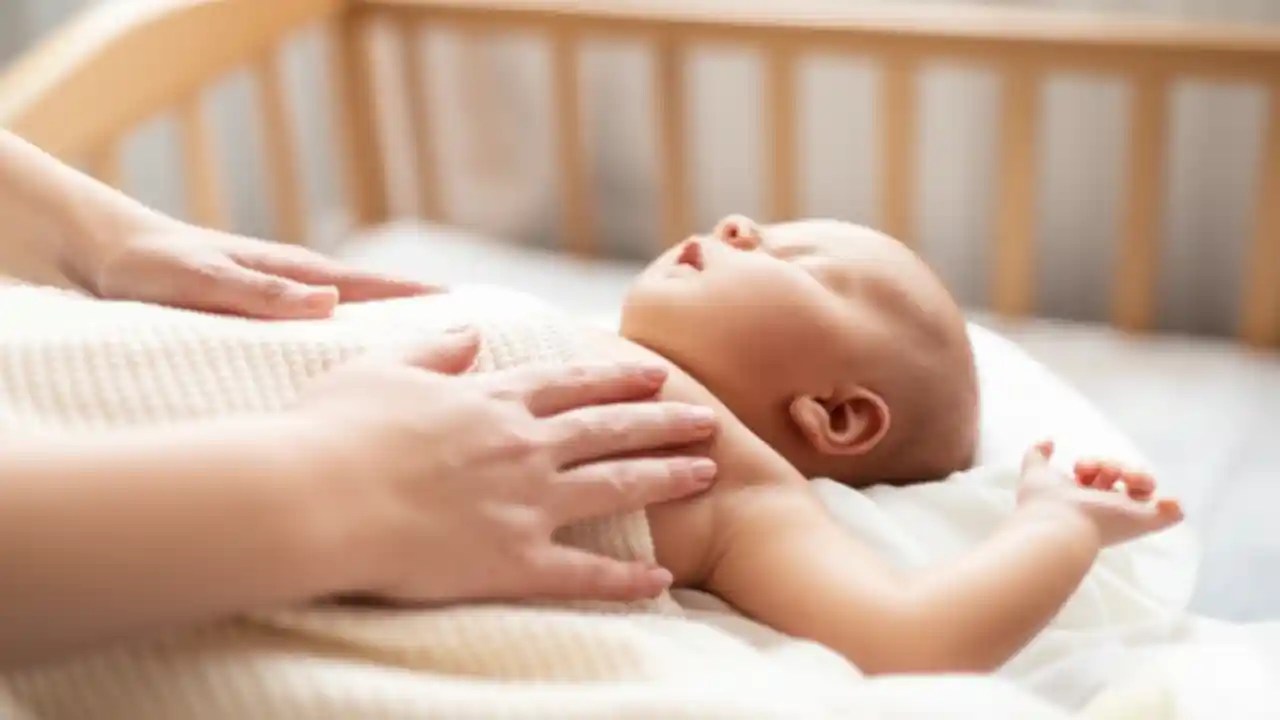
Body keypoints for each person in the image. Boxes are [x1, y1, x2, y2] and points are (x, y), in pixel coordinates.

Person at [0, 129, 721, 668]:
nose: (735, 226)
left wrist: (98, 236)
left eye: (809, 260)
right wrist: (348, 481)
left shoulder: (717, 461)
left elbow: (832, 597)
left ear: (836, 411)